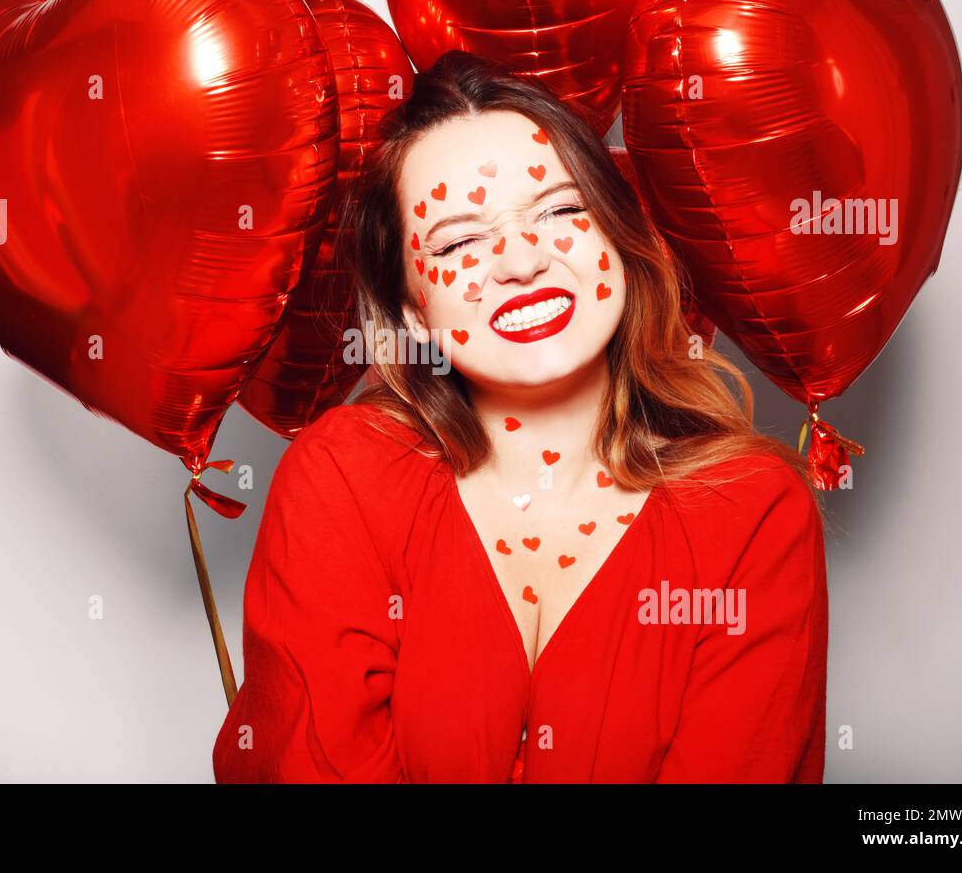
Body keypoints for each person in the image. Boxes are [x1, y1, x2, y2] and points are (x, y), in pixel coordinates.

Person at [212, 50, 828, 783]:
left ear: (619, 242)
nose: (520, 260)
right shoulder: (343, 478)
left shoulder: (752, 512)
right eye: (459, 241)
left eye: (561, 210)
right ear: (414, 306)